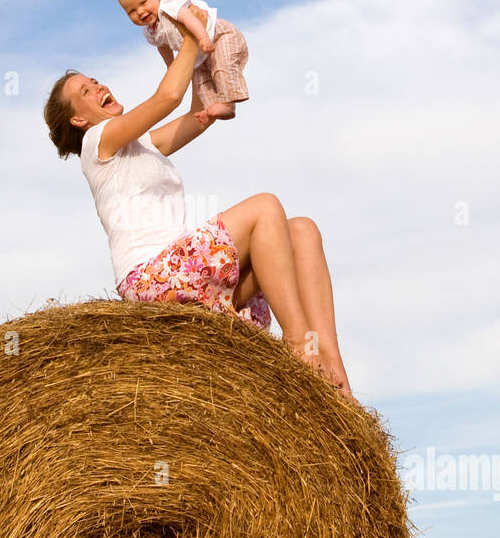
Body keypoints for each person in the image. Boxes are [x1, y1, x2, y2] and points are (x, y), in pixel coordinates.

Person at [43, 28, 353, 395]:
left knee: (302, 230)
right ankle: (299, 344)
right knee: (264, 207)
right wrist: (193, 36)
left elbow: (196, 113)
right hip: (152, 280)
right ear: (79, 120)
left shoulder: (139, 145)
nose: (97, 88)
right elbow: (167, 97)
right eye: (86, 92)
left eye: (94, 82)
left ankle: (331, 367)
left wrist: (175, 51)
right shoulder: (99, 141)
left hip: (188, 281)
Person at [114, 0, 249, 125]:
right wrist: (171, 67)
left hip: (217, 37)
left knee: (222, 67)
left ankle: (228, 104)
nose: (140, 12)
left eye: (143, 3)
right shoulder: (150, 31)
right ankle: (211, 110)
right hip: (200, 56)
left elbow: (190, 19)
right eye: (131, 11)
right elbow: (163, 46)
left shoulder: (168, 6)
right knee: (200, 82)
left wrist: (203, 37)